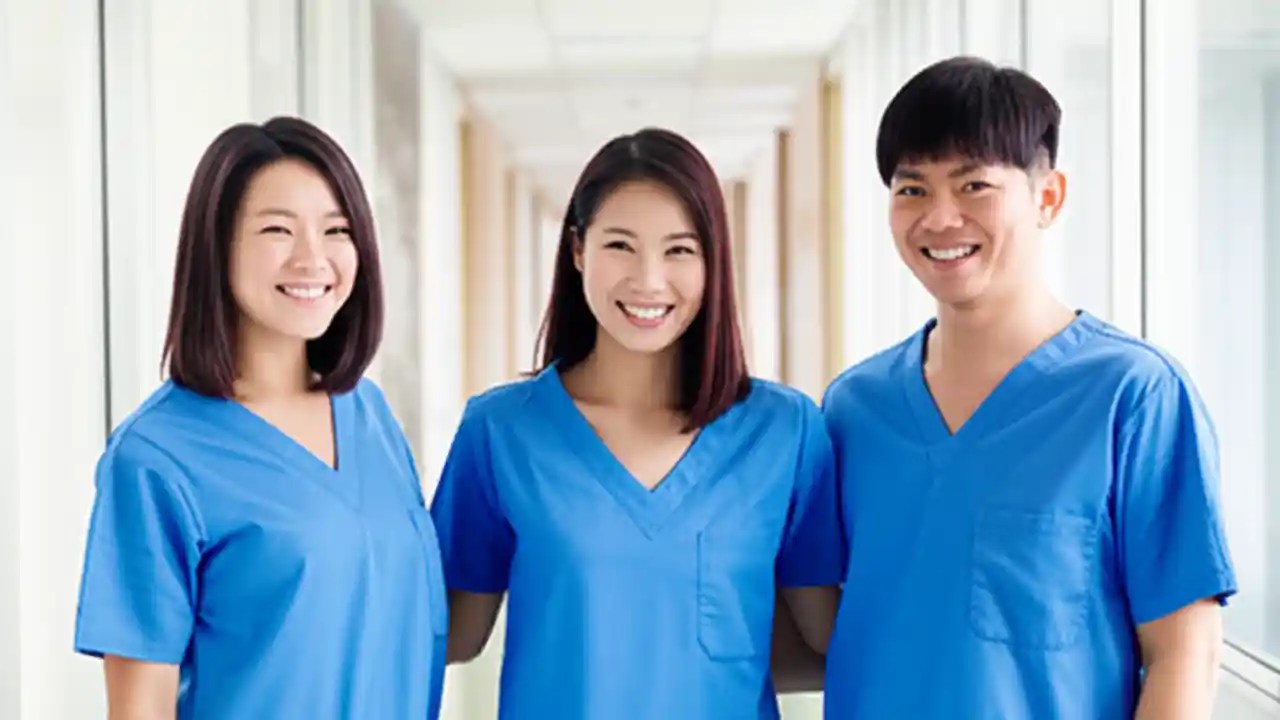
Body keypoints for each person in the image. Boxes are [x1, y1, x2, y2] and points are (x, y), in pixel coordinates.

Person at [818, 56, 1238, 718]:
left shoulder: (1129, 394)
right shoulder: (854, 410)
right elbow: (825, 626)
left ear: (1048, 198)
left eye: (974, 185)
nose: (940, 218)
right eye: (912, 190)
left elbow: (1184, 649)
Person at [429, 127, 844, 719]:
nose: (649, 279)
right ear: (578, 250)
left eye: (679, 249)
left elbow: (831, 637)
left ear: (713, 261)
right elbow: (453, 633)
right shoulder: (499, 432)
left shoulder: (785, 433)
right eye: (620, 246)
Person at [74, 117, 447, 719]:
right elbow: (140, 708)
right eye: (278, 229)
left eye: (337, 230)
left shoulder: (369, 414)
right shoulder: (157, 458)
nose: (313, 259)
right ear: (217, 245)